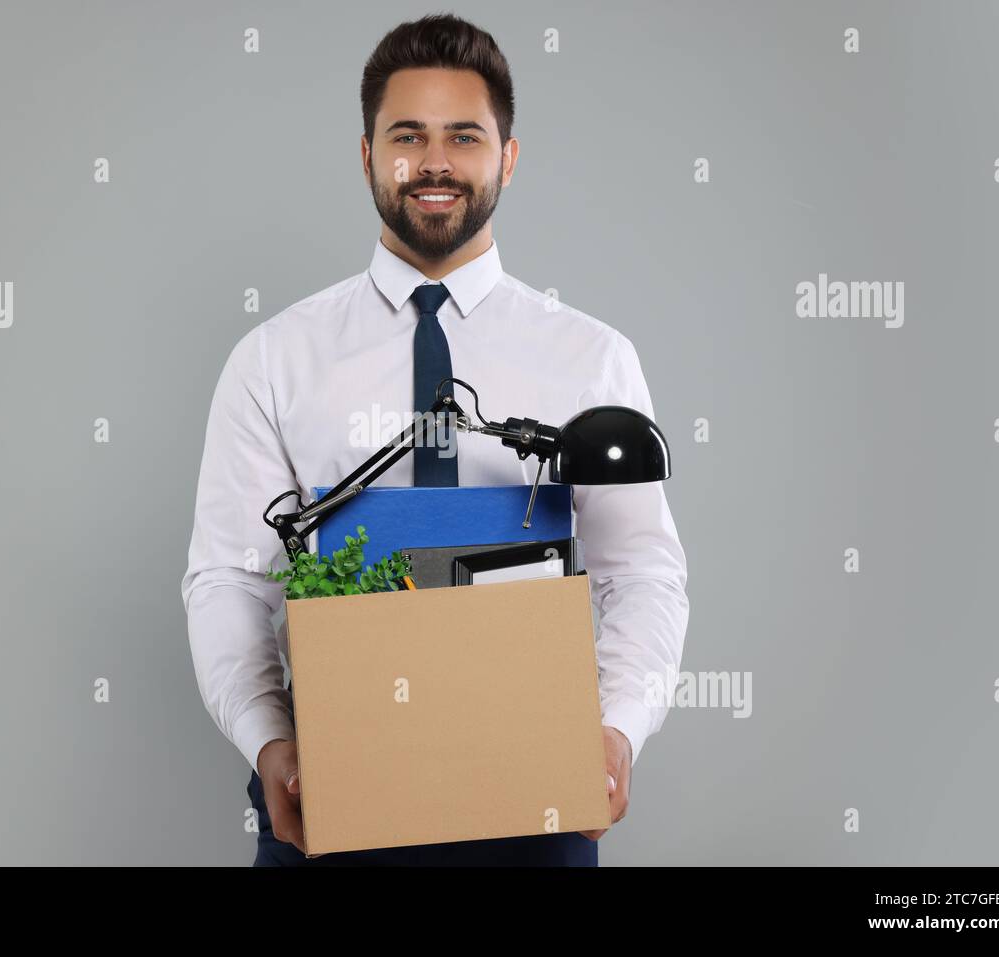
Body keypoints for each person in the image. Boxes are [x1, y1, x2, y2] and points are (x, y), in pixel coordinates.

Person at [181, 13, 689, 866]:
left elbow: (643, 574)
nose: (435, 162)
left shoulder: (593, 359)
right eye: (407, 135)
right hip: (334, 789)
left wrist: (615, 731)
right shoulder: (274, 359)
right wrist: (273, 746)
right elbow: (230, 580)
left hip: (534, 796)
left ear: (509, 157)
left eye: (465, 135)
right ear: (369, 154)